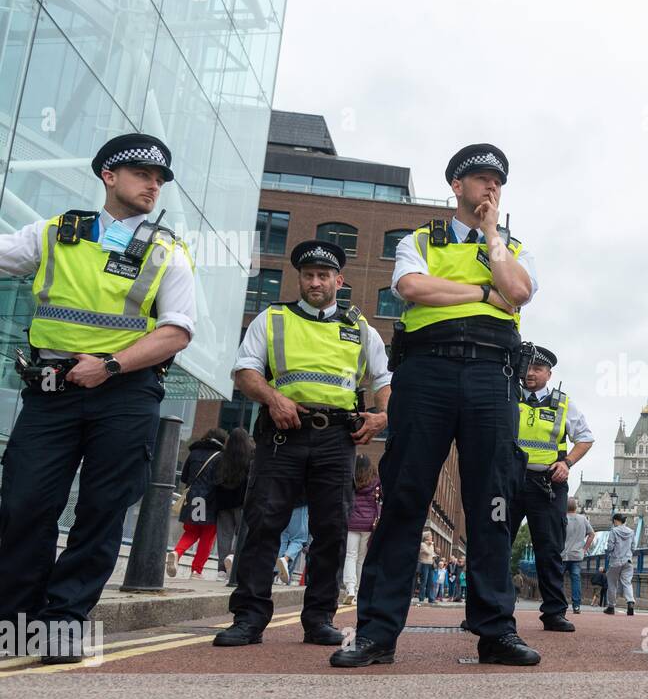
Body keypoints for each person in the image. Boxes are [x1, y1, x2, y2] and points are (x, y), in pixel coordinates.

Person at [332, 144, 540, 668]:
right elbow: (411, 287)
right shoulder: (419, 239)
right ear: (456, 186)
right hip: (427, 372)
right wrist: (482, 294)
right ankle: (377, 633)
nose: (491, 188)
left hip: (493, 376)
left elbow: (518, 292)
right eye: (481, 179)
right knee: (404, 496)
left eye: (498, 182)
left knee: (492, 502)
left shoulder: (513, 245)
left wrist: (493, 239)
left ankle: (495, 631)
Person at [0, 133, 196, 663]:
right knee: (24, 504)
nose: (153, 184)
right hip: (51, 391)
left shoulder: (167, 249)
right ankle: (15, 622)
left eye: (159, 179)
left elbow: (177, 331)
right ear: (109, 176)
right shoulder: (54, 232)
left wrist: (109, 365)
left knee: (102, 509)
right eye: (142, 175)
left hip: (125, 394)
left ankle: (63, 621)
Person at [215, 239, 391, 648]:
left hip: (337, 437)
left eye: (324, 275)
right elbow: (244, 371)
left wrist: (381, 415)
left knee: (330, 528)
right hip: (283, 433)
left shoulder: (360, 327)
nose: (316, 282)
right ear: (300, 279)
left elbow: (383, 380)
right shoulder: (273, 318)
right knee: (263, 525)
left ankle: (319, 620)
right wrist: (273, 398)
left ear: (339, 280)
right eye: (309, 275)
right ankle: (249, 617)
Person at [506, 346, 596, 631]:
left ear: (548, 374)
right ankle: (488, 610)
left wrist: (567, 463)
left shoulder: (563, 404)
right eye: (527, 367)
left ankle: (554, 613)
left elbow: (585, 438)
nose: (530, 373)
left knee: (550, 549)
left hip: (547, 484)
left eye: (537, 369)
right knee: (495, 545)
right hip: (508, 480)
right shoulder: (507, 394)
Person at [166, 428, 227, 579]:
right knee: (207, 537)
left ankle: (177, 552)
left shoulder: (193, 453)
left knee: (191, 531)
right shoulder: (221, 456)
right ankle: (196, 571)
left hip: (192, 499)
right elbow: (219, 482)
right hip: (210, 502)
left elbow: (184, 477)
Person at [213, 427, 254, 582]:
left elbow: (215, 478)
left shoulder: (221, 457)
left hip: (223, 502)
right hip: (242, 501)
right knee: (242, 534)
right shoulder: (250, 457)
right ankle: (232, 558)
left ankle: (221, 570)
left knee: (224, 535)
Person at [343, 455, 381, 605]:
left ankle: (350, 588)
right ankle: (359, 591)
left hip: (352, 522)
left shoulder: (350, 479)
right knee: (361, 559)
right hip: (368, 524)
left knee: (350, 556)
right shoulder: (376, 481)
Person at [562, 498, 596, 613]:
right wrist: (585, 549)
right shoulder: (583, 519)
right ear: (576, 508)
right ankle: (576, 606)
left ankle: (560, 604)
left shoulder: (562, 518)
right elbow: (592, 534)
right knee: (576, 580)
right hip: (577, 555)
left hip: (562, 555)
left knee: (558, 580)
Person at [604, 513, 636, 615]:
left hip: (615, 561)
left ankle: (611, 607)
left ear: (615, 521)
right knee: (627, 582)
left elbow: (610, 547)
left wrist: (610, 552)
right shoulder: (631, 532)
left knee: (612, 584)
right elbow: (634, 547)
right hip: (628, 561)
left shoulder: (614, 531)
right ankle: (630, 602)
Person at [275, 502, 310, 585]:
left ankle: (278, 573)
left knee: (283, 536)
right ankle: (285, 559)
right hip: (299, 502)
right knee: (300, 539)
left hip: (283, 501)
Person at [415, 535, 436, 605]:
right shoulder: (422, 544)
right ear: (426, 538)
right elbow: (428, 552)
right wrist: (430, 545)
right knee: (424, 581)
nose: (431, 538)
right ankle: (421, 598)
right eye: (430, 537)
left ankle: (431, 598)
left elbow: (432, 554)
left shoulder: (431, 545)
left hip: (431, 564)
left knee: (432, 582)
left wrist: (433, 559)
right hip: (424, 564)